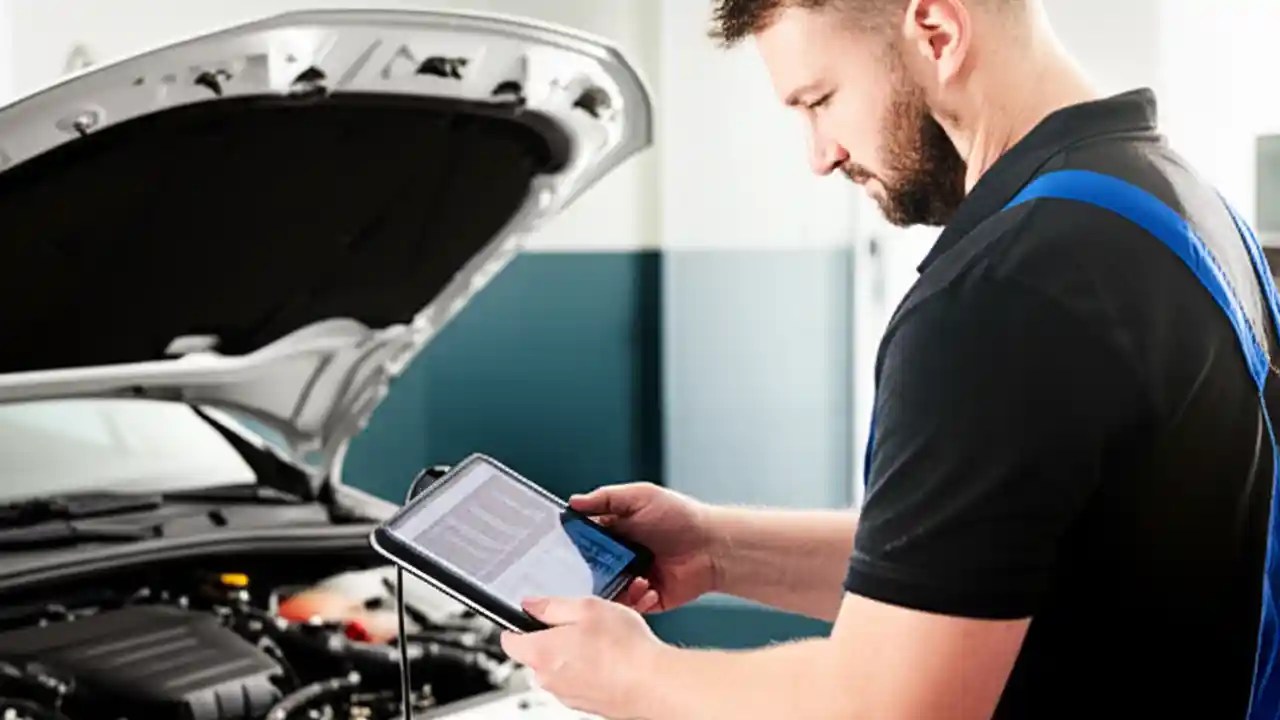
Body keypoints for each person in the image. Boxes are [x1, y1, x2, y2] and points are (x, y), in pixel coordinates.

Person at [499, 1, 1280, 718]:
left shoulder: (1005, 290)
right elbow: (989, 554)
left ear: (936, 30)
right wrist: (718, 548)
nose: (820, 154)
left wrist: (631, 676)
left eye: (819, 100)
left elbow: (893, 707)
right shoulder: (1180, 206)